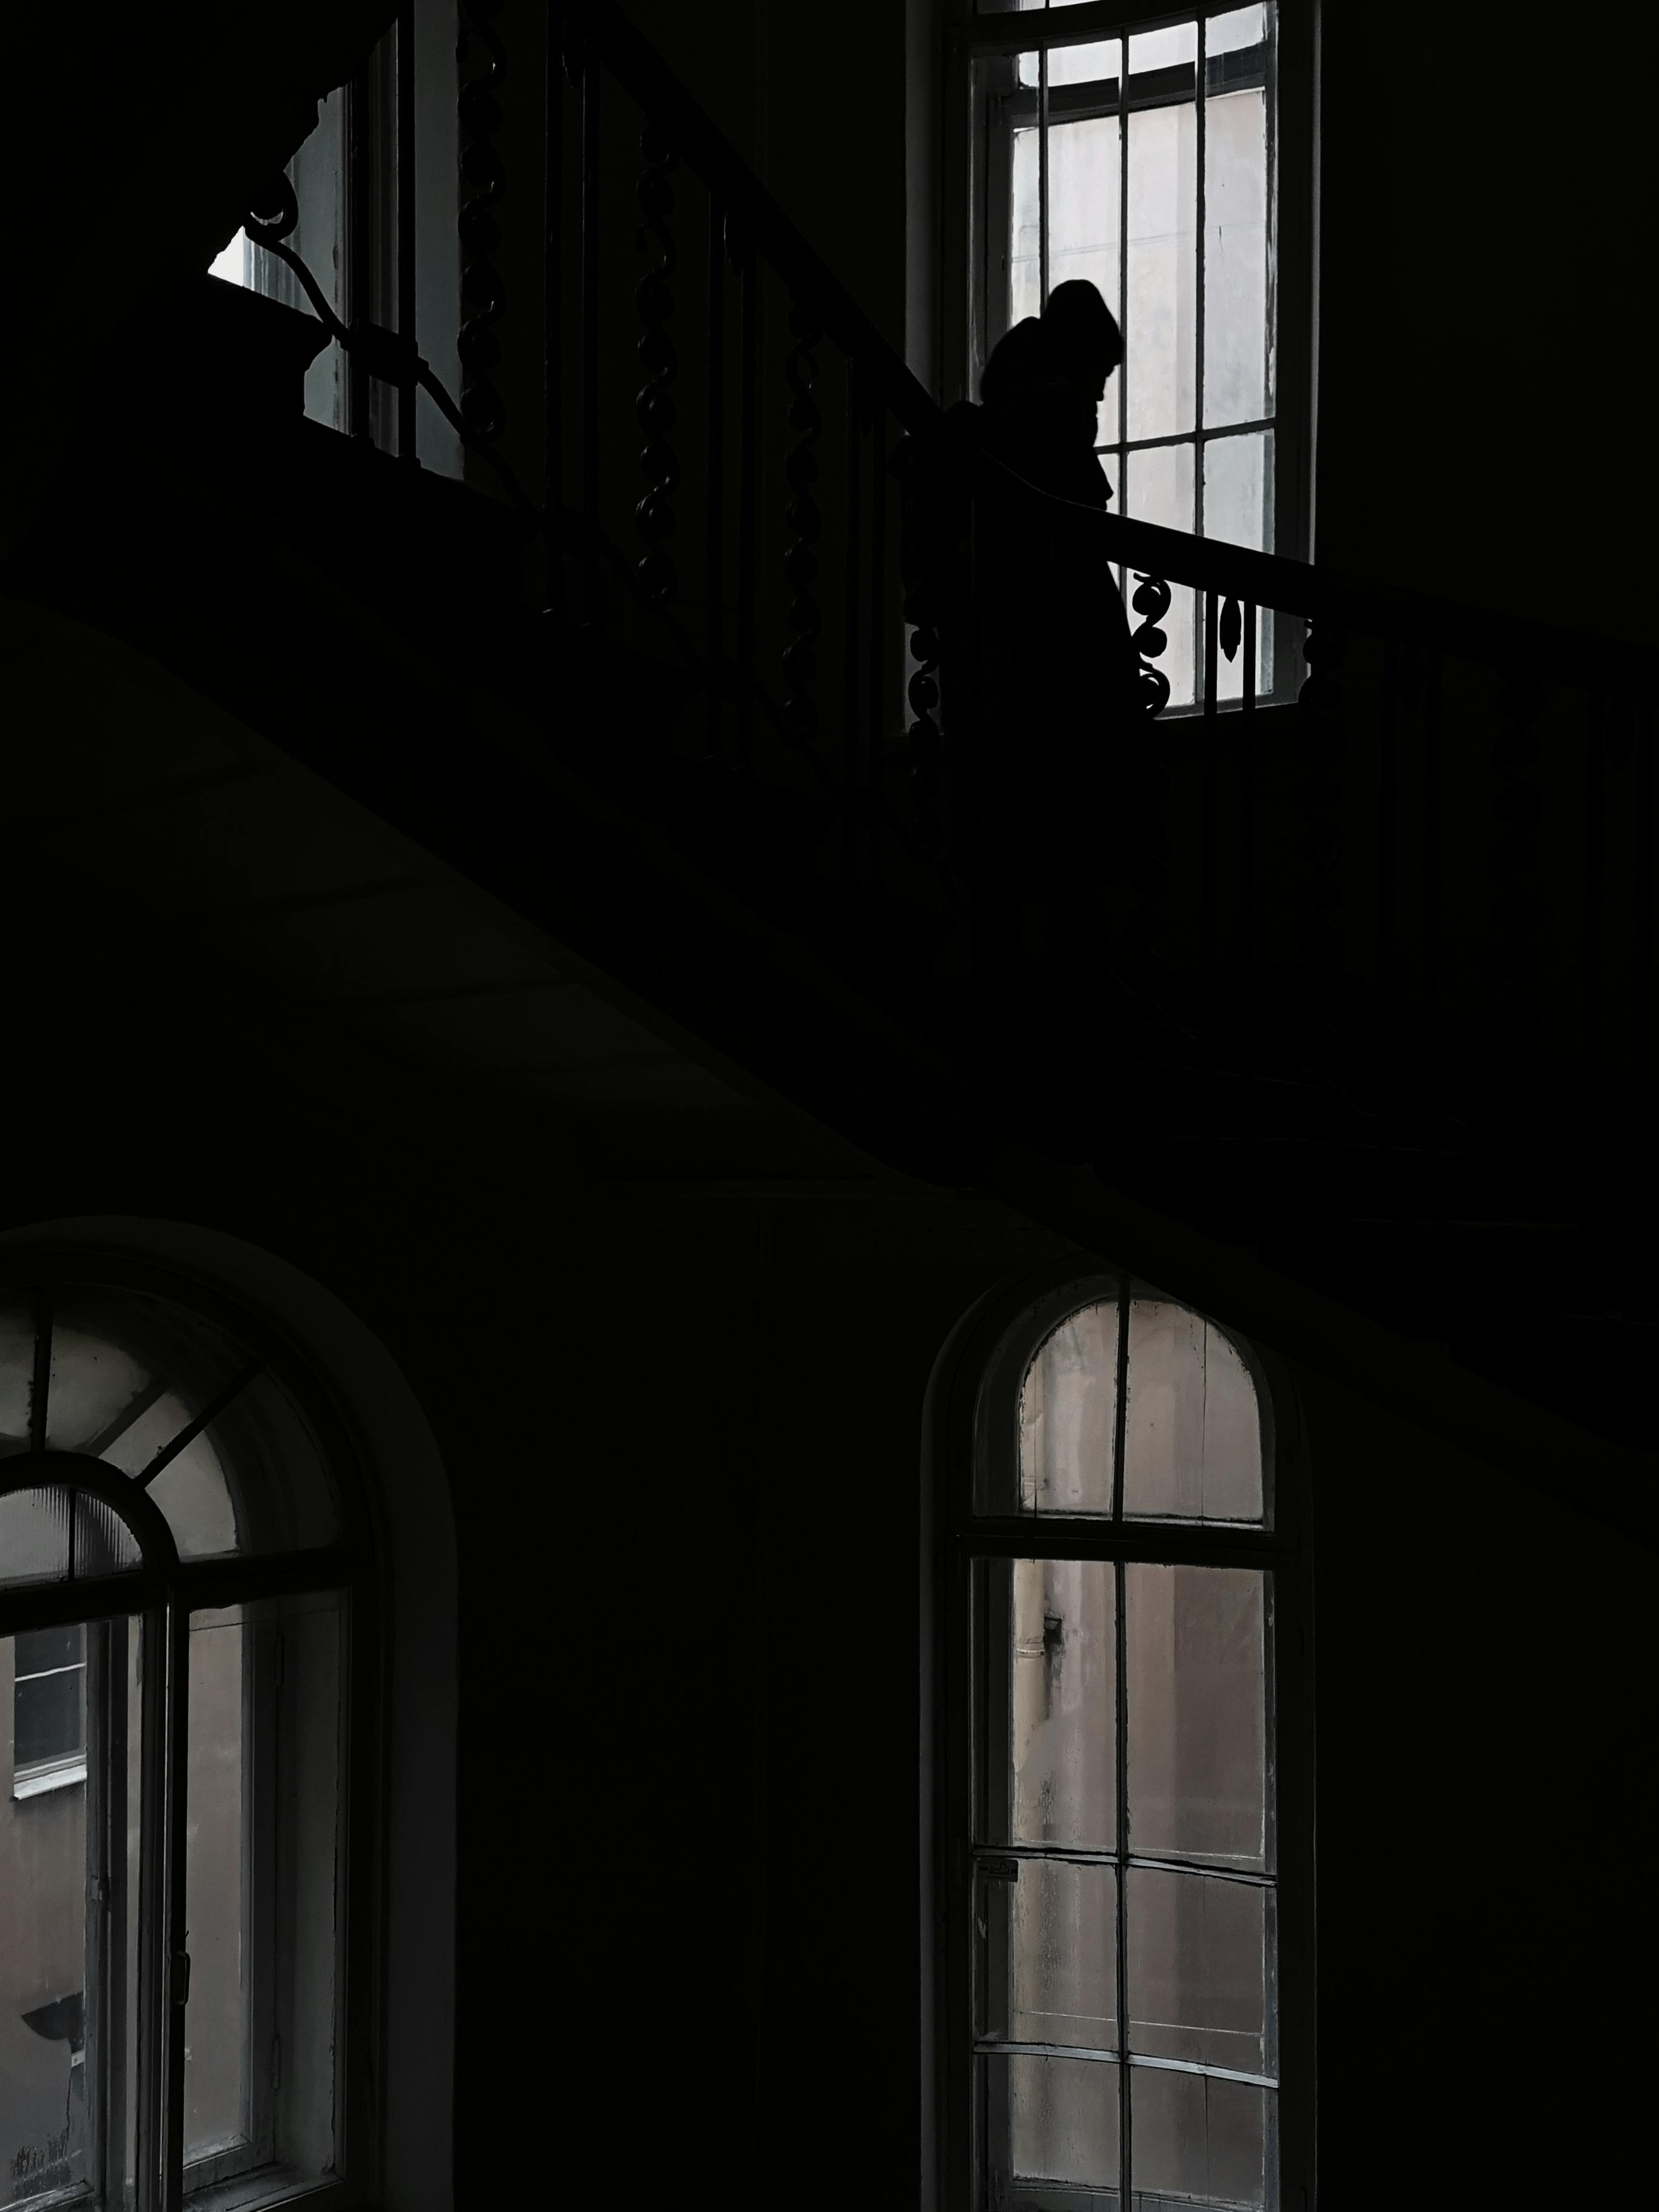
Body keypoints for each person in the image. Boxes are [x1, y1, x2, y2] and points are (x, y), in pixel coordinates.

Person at [897, 281, 1143, 942]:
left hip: (997, 665)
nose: (1099, 395)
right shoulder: (1050, 424)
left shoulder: (990, 435)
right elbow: (1080, 528)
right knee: (1067, 835)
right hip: (1050, 659)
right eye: (1101, 373)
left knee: (1008, 835)